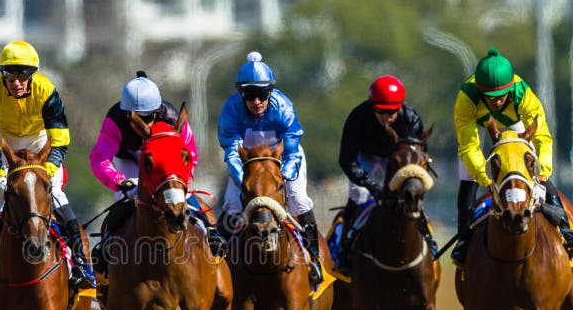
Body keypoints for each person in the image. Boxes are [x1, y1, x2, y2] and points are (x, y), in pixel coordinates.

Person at [0, 40, 94, 290]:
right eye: (10, 77)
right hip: (6, 143)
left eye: (22, 77)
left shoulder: (47, 91)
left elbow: (60, 140)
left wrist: (48, 171)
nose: (16, 83)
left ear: (32, 75)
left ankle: (81, 263)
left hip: (39, 140)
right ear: (3, 75)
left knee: (56, 194)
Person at [88, 72, 225, 271]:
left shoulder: (171, 117)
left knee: (178, 194)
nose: (143, 125)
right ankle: (108, 246)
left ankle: (211, 232)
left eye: (146, 118)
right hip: (129, 161)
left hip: (163, 162)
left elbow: (190, 155)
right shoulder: (115, 120)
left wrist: (179, 181)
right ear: (127, 114)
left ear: (156, 112)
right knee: (125, 198)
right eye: (135, 119)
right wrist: (119, 181)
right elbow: (99, 158)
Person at [451, 47, 573, 265]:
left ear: (510, 88)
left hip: (514, 125)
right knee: (467, 177)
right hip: (480, 126)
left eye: (500, 96)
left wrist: (543, 171)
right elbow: (469, 147)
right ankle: (463, 240)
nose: (496, 102)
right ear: (480, 90)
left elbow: (542, 136)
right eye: (490, 97)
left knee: (532, 168)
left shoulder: (522, 93)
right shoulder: (466, 98)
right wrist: (487, 180)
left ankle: (565, 231)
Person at [218, 51, 323, 284]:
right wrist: (246, 182)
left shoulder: (283, 106)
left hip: (282, 159)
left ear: (270, 92)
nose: (256, 102)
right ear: (241, 94)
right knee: (233, 203)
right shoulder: (231, 110)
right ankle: (217, 257)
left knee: (297, 200)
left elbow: (292, 150)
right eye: (249, 95)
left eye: (262, 94)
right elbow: (232, 153)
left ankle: (314, 258)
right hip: (248, 162)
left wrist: (280, 176)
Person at [334, 75, 439, 275]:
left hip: (396, 159)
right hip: (365, 157)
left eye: (392, 112)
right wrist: (371, 185)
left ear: (400, 107)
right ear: (372, 106)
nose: (387, 118)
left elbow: (418, 153)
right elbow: (347, 160)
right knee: (359, 195)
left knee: (410, 193)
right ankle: (344, 249)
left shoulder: (411, 118)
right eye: (381, 112)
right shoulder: (357, 117)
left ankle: (428, 239)